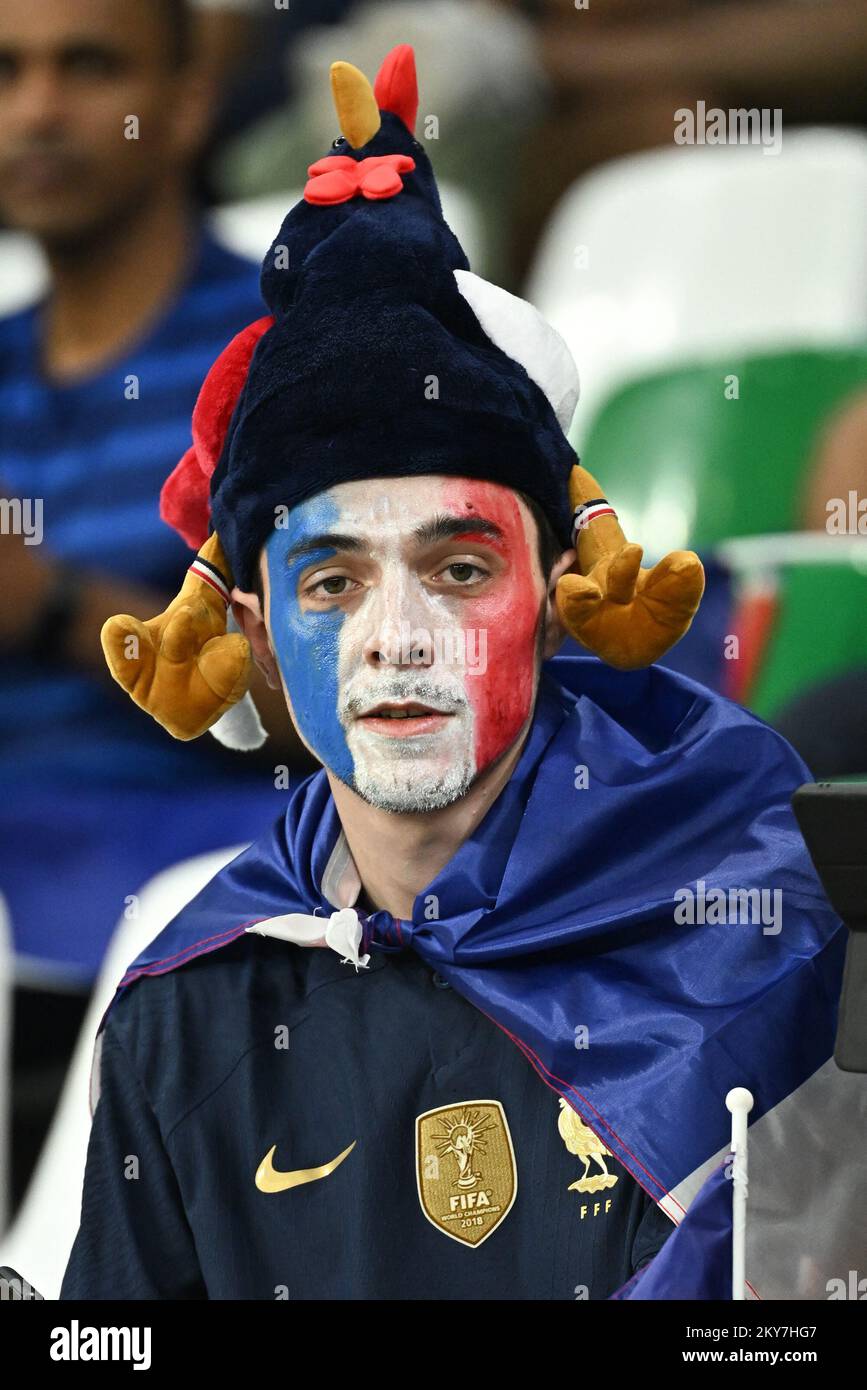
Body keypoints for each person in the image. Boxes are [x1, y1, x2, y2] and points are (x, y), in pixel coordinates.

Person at [60, 44, 845, 1301]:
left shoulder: (755, 930)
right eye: (331, 582)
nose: (399, 635)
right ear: (254, 630)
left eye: (462, 569)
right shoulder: (194, 1002)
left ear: (555, 599)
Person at [0, 0, 307, 1204]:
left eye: (88, 66)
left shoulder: (286, 356)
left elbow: (359, 706)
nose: (37, 108)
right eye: (8, 70)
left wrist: (56, 609)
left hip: (196, 881)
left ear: (187, 101)